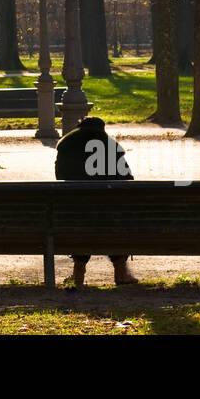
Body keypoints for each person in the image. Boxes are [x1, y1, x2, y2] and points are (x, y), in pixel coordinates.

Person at [54, 115, 138, 287]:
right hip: (108, 212)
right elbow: (127, 179)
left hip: (74, 212)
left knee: (81, 221)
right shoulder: (111, 146)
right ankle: (121, 272)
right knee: (114, 220)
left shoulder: (66, 145)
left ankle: (78, 272)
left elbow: (60, 176)